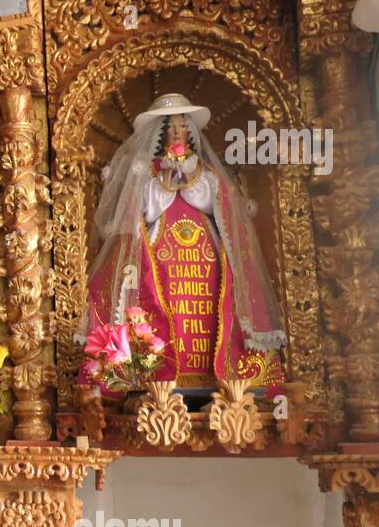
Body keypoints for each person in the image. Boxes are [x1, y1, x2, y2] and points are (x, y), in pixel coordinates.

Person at [77, 93, 286, 393]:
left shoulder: (207, 174)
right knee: (161, 304)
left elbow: (218, 206)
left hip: (204, 256)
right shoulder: (148, 175)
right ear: (161, 135)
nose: (176, 132)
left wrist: (188, 178)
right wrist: (165, 181)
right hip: (161, 255)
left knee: (209, 307)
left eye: (181, 127)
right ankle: (157, 377)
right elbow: (145, 210)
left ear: (190, 131)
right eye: (170, 128)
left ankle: (219, 376)